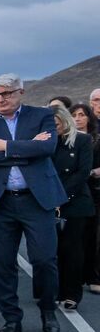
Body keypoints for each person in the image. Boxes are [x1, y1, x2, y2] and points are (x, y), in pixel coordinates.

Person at [0, 74, 67, 332]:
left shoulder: (41, 116)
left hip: (36, 201)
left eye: (7, 93)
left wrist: (7, 147)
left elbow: (47, 147)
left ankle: (48, 312)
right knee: (3, 264)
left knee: (45, 260)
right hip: (0, 202)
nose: (0, 99)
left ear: (21, 92)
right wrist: (27, 149)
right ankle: (11, 318)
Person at [51, 104, 93, 310]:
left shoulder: (83, 140)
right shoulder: (47, 142)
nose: (55, 128)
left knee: (73, 249)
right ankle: (54, 291)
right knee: (52, 249)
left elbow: (83, 172)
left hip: (75, 202)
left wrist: (62, 196)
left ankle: (72, 294)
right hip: (49, 202)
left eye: (58, 124)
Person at [76, 102, 100, 295]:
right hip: (75, 190)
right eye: (74, 115)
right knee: (77, 237)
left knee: (95, 236)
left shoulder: (96, 139)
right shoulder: (64, 139)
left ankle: (94, 276)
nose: (78, 118)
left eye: (82, 115)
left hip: (96, 191)